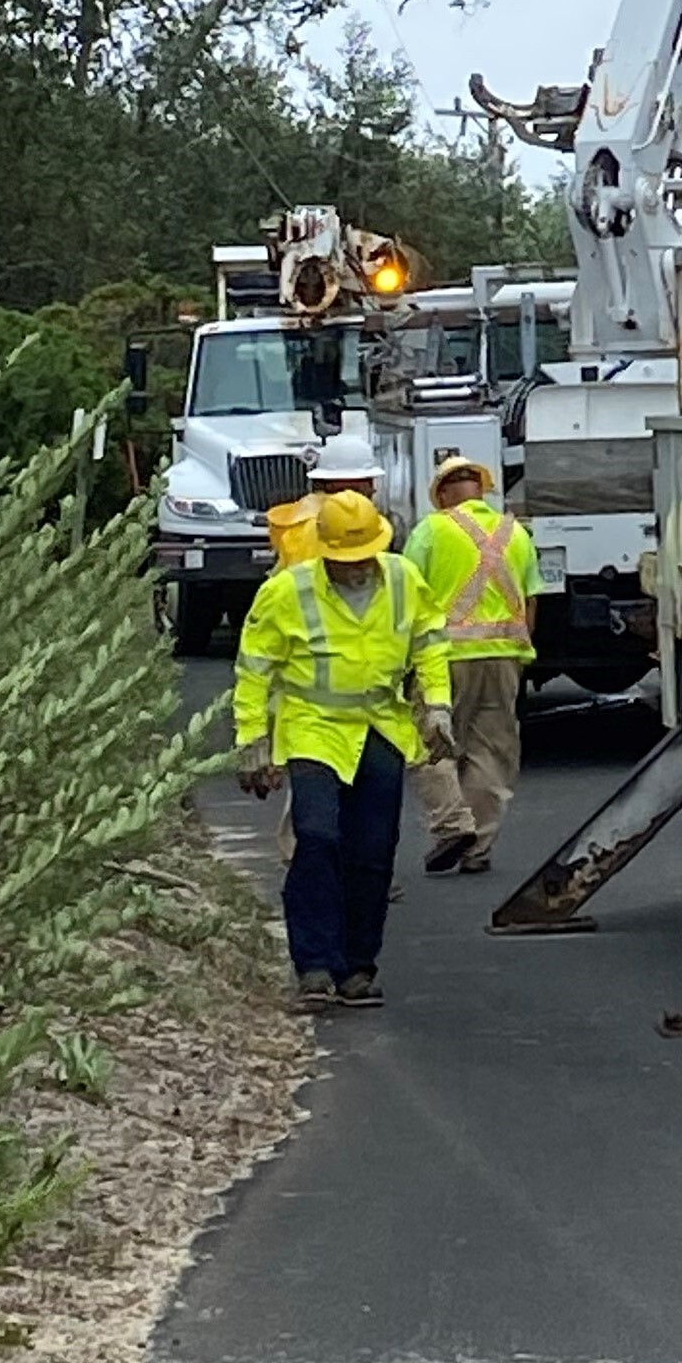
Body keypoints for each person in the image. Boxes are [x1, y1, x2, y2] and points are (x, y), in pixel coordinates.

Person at [233, 483, 448, 1010]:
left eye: (364, 557)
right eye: (345, 559)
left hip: (380, 724)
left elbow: (429, 643)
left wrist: (438, 705)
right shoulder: (288, 592)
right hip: (313, 726)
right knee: (317, 837)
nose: (355, 568)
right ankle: (315, 966)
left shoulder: (404, 579)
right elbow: (254, 668)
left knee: (372, 851)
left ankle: (357, 967)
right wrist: (252, 737)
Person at [402, 450, 541, 877]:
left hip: (443, 660)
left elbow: (406, 597)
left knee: (434, 742)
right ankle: (478, 846)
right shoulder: (516, 534)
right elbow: (531, 602)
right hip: (503, 658)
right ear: (481, 490)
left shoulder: (430, 531)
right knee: (490, 753)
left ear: (443, 494)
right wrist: (519, 653)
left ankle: (452, 824)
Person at [264, 419, 378, 571]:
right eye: (369, 483)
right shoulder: (341, 525)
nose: (372, 491)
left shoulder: (302, 519)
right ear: (357, 486)